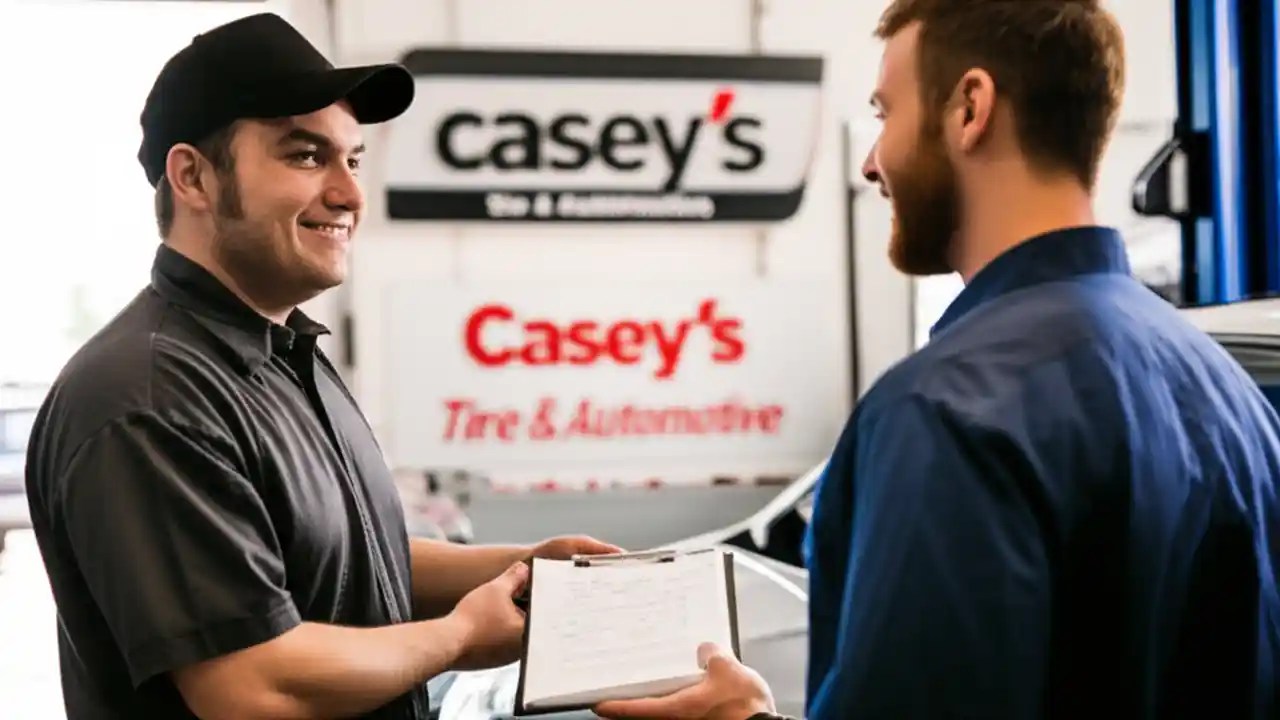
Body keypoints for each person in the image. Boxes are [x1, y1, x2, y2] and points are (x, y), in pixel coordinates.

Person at [596, 0, 1280, 718]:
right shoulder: (1230, 393)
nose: (871, 162)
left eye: (885, 113)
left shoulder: (950, 411)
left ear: (970, 109)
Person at [24, 13, 619, 719]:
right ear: (193, 177)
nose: (350, 194)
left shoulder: (284, 353)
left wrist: (522, 568)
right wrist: (458, 637)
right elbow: (252, 686)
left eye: (354, 161)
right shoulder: (150, 397)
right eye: (306, 157)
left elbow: (342, 556)